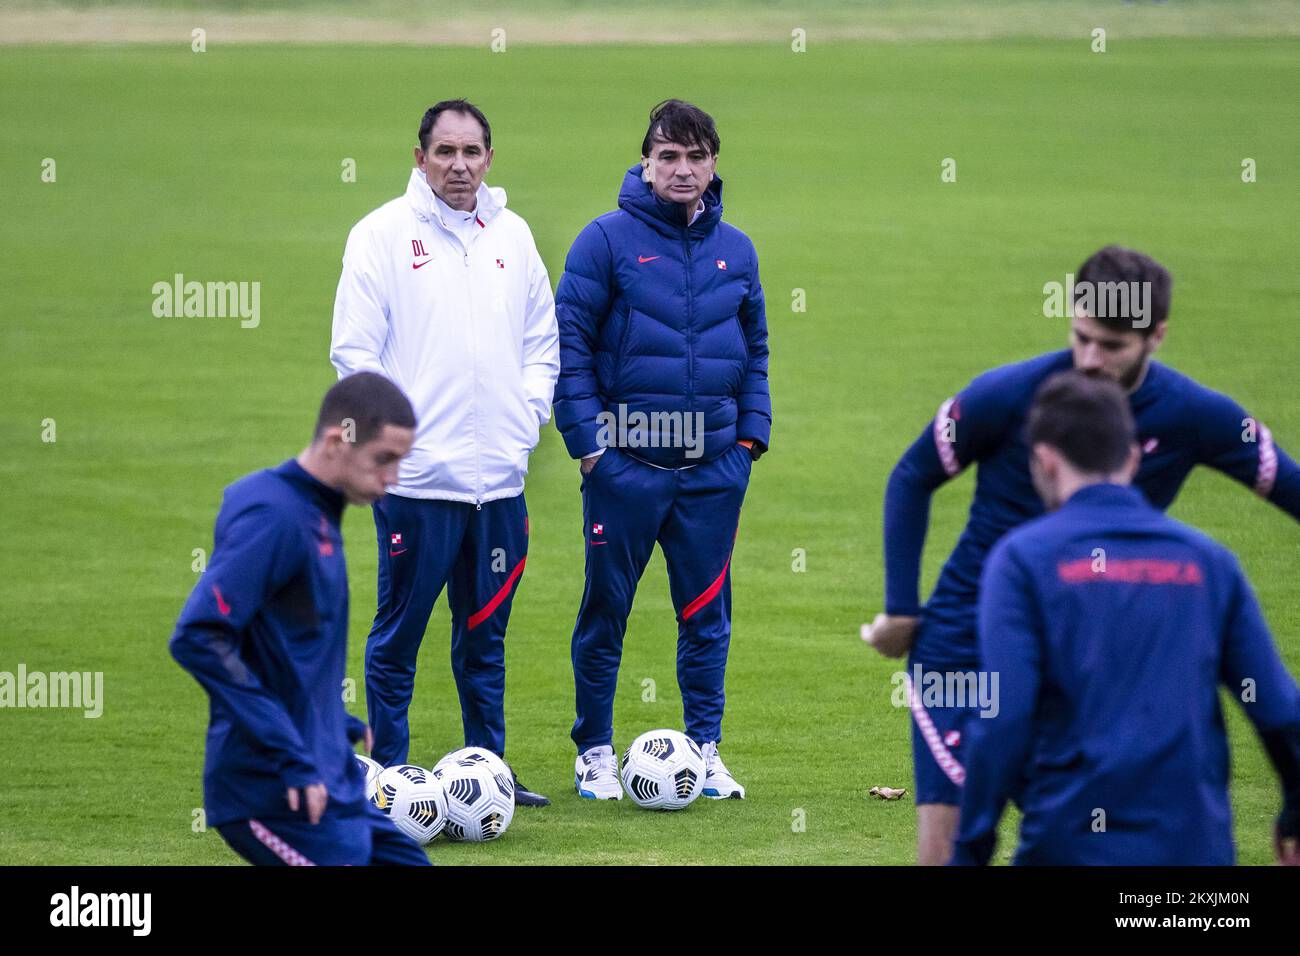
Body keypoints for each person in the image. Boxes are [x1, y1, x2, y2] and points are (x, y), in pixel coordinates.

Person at [865, 245, 1300, 864]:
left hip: (1087, 641)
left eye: (1113, 347)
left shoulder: (1193, 413)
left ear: (1157, 337)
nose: (1090, 361)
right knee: (945, 846)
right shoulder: (1010, 394)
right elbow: (912, 475)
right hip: (965, 639)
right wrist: (902, 608)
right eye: (1081, 337)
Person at [952, 371, 1300, 865]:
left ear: (1044, 461)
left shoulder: (1022, 561)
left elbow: (1003, 718)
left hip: (1068, 846)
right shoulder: (1209, 563)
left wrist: (970, 849)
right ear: (1133, 458)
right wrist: (1293, 812)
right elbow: (1282, 711)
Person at [330, 99, 559, 806]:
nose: (459, 165)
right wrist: (400, 444)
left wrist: (524, 424)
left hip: (498, 484)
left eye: (472, 152)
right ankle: (388, 775)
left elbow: (540, 345)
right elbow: (355, 355)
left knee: (485, 641)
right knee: (399, 637)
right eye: (445, 151)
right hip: (419, 484)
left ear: (490, 158)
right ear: (419, 156)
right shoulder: (381, 236)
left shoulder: (513, 236)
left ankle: (488, 772)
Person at [553, 99, 771, 800]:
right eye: (668, 156)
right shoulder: (604, 241)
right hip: (626, 468)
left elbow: (757, 348)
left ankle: (705, 749)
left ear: (714, 165)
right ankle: (594, 752)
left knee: (707, 616)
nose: (683, 169)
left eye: (696, 156)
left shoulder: (737, 248)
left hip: (714, 470)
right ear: (646, 162)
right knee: (605, 612)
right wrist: (590, 448)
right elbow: (569, 348)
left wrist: (749, 439)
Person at [170, 372, 431, 866]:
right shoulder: (276, 516)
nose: (394, 477)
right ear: (339, 440)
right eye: (384, 459)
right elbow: (200, 635)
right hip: (273, 790)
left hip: (329, 769)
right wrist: (290, 755)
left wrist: (338, 722)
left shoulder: (317, 511)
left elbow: (285, 644)